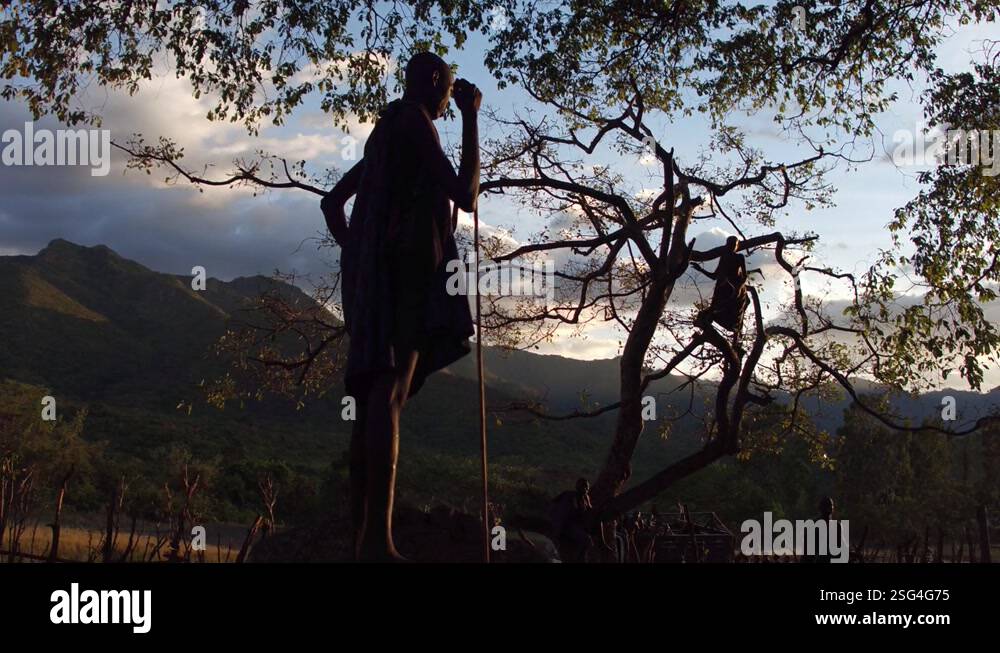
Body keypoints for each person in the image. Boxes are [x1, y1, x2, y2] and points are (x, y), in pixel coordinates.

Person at [321, 51, 482, 561]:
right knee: (388, 397)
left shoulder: (385, 134)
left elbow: (332, 203)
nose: (446, 104)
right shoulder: (413, 121)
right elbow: (467, 193)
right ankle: (375, 544)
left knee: (373, 400)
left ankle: (362, 539)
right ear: (436, 81)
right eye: (447, 91)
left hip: (375, 280)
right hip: (404, 278)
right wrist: (473, 117)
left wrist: (359, 253)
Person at [695, 236, 749, 336]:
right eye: (730, 244)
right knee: (711, 312)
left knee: (733, 314)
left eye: (734, 244)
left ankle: (736, 336)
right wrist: (700, 269)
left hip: (734, 289)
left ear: (737, 246)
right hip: (722, 289)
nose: (731, 247)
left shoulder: (739, 257)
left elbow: (744, 276)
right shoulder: (724, 257)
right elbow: (714, 276)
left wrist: (738, 288)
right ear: (726, 245)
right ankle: (706, 333)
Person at [550, 478, 594, 562]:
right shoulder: (571, 497)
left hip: (579, 525)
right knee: (586, 539)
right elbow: (568, 513)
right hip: (568, 525)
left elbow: (589, 510)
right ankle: (577, 559)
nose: (586, 489)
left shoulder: (585, 498)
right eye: (584, 486)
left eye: (587, 487)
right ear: (578, 487)